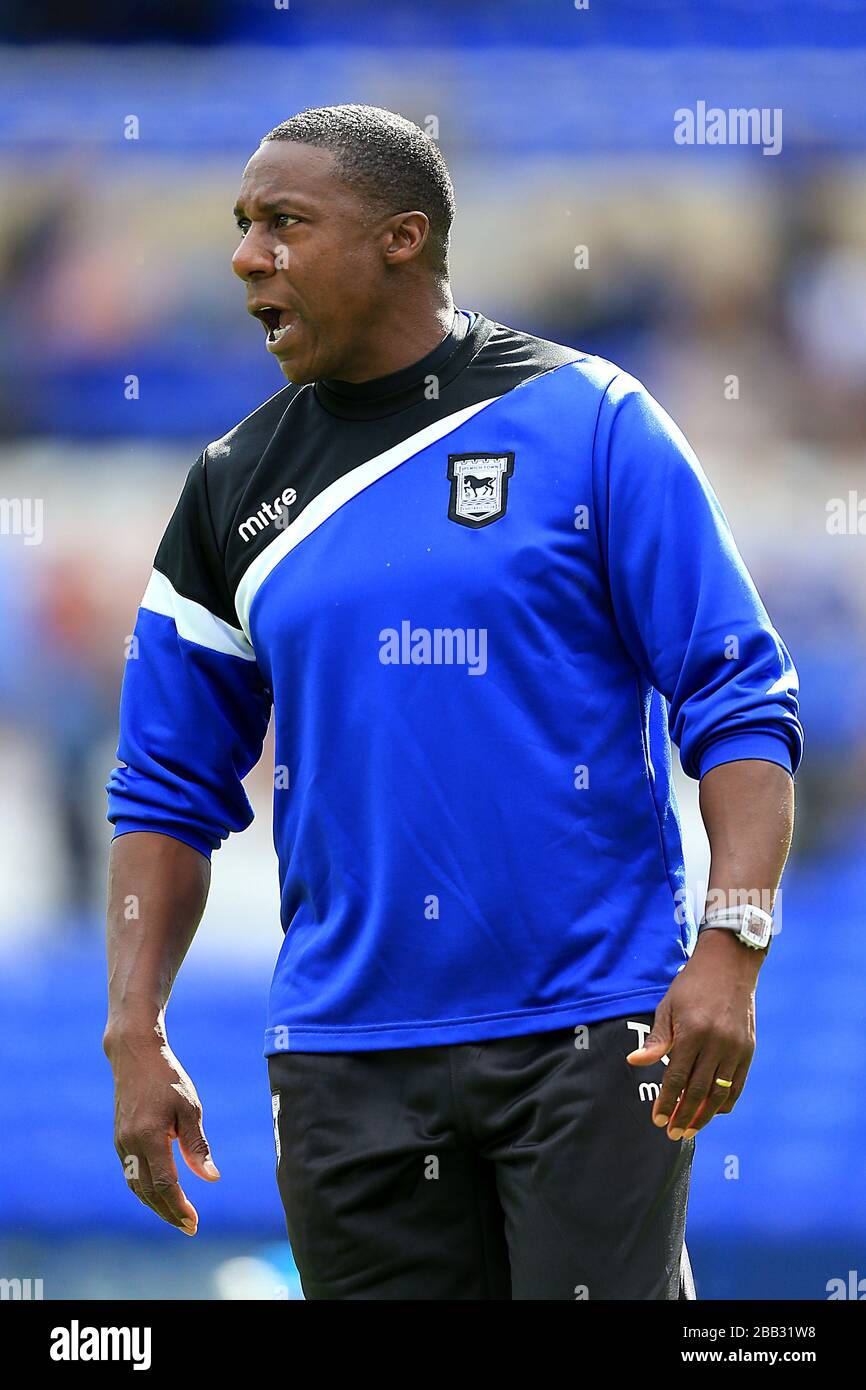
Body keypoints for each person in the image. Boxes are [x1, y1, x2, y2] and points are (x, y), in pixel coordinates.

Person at [104, 104, 802, 1300]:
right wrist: (135, 1029)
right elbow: (165, 790)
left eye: (282, 222)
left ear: (399, 238)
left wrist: (730, 946)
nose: (244, 256)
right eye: (239, 226)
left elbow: (738, 701)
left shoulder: (590, 421)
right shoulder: (228, 490)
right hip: (343, 1061)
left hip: (588, 1033)